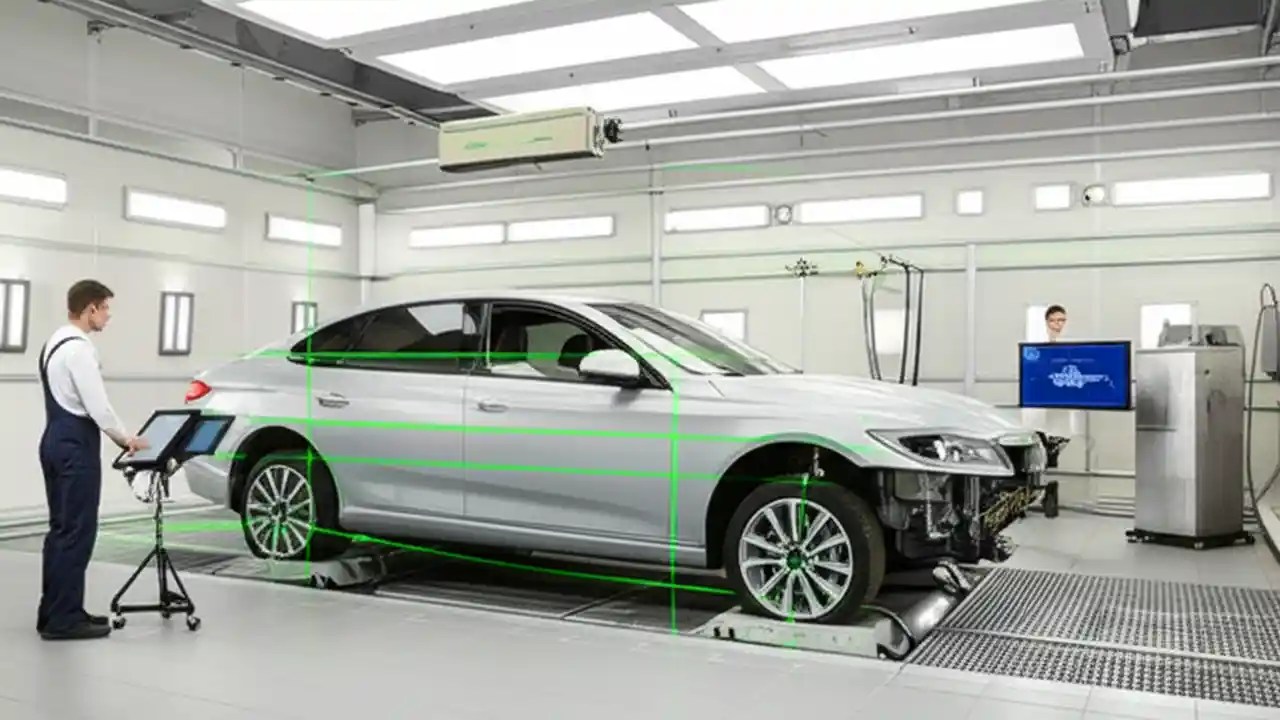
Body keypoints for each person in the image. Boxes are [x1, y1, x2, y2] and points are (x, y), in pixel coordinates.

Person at [36, 279, 147, 641]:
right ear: (90, 310)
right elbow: (97, 406)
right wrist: (124, 439)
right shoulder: (80, 350)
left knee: (60, 530)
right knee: (79, 531)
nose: (108, 316)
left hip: (53, 440)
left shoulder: (53, 342)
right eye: (106, 308)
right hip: (75, 448)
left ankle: (55, 610)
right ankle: (64, 619)